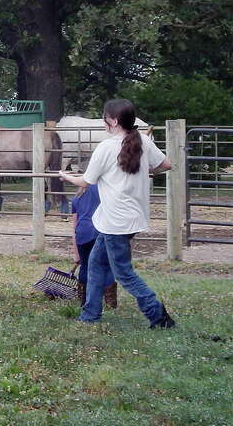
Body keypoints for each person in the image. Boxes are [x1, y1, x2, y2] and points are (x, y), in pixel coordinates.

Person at [58, 98, 175, 328]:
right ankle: (90, 314)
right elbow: (166, 165)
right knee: (95, 263)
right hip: (129, 218)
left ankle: (158, 315)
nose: (104, 122)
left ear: (112, 121)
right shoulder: (143, 142)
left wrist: (65, 176)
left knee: (123, 273)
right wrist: (146, 170)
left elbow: (86, 181)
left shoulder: (106, 147)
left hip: (115, 222)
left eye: (104, 118)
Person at [71, 183, 116, 309]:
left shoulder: (77, 197)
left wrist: (76, 253)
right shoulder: (104, 191)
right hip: (100, 232)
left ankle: (83, 300)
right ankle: (110, 302)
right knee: (106, 266)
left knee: (85, 265)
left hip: (82, 234)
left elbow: (74, 226)